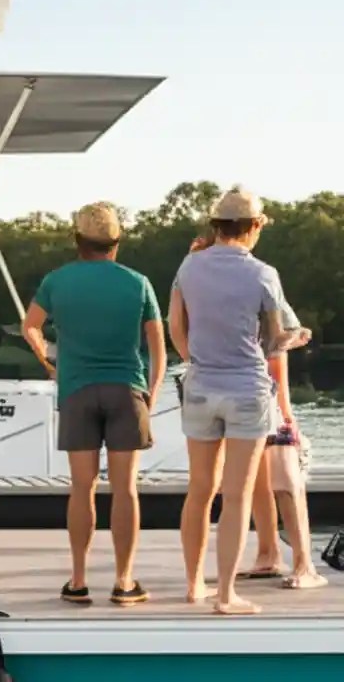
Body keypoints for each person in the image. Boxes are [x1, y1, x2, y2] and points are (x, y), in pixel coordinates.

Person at [169, 188, 310, 615]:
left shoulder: (189, 265)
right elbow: (275, 337)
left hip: (200, 385)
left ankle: (194, 584)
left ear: (216, 226)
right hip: (247, 390)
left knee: (199, 489)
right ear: (254, 227)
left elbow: (177, 325)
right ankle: (226, 595)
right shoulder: (262, 274)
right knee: (237, 494)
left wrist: (194, 359)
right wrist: (297, 338)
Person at [21, 201, 166, 607]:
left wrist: (49, 362)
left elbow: (29, 326)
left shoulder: (56, 281)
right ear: (116, 243)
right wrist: (151, 394)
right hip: (126, 391)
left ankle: (79, 580)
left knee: (81, 488)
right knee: (125, 490)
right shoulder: (138, 283)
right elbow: (159, 351)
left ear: (77, 241)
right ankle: (123, 582)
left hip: (77, 392)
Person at [185, 233, 326, 592]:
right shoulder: (226, 288)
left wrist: (285, 409)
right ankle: (268, 554)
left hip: (264, 392)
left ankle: (304, 563)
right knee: (260, 482)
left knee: (285, 479)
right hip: (245, 391)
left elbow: (278, 344)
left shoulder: (253, 283)